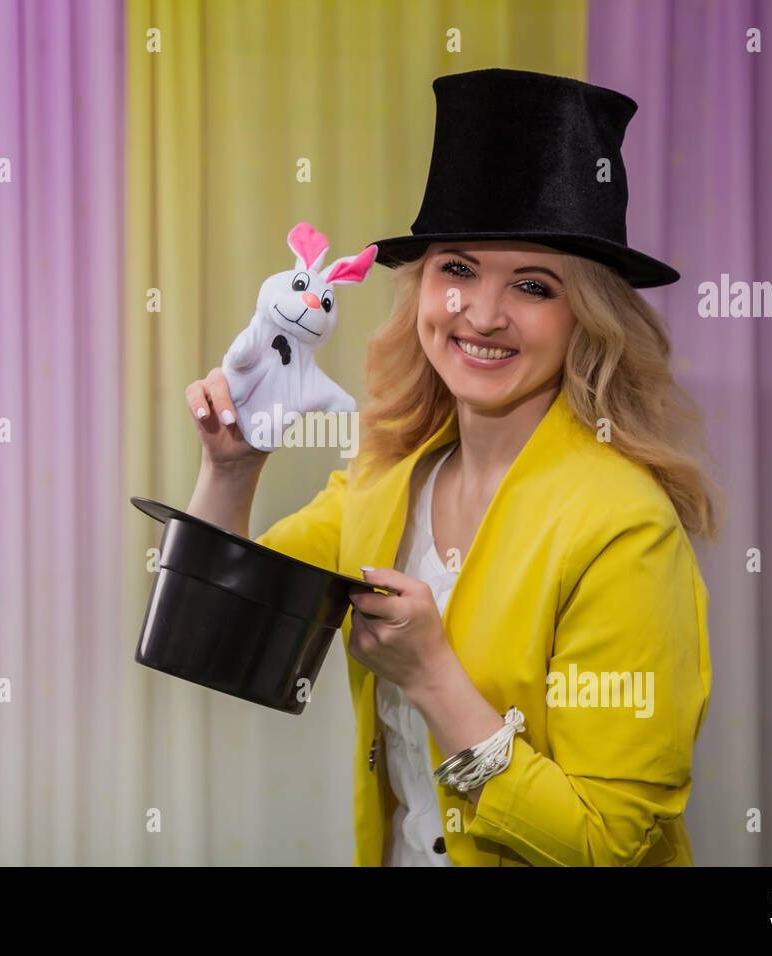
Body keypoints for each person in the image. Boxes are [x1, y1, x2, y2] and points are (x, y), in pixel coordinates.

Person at [184, 69, 722, 866]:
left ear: (589, 319)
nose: (483, 313)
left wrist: (433, 676)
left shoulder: (622, 528)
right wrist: (231, 471)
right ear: (422, 287)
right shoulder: (385, 476)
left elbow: (606, 844)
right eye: (458, 269)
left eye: (533, 285)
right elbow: (215, 641)